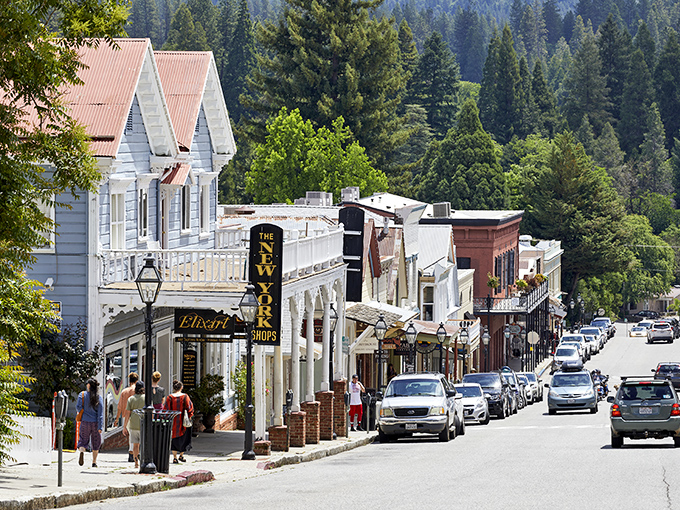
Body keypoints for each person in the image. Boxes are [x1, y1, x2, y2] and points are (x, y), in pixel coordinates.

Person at [163, 380, 194, 463]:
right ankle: (181, 455)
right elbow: (189, 407)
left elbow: (166, 409)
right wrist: (190, 416)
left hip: (173, 422)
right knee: (184, 438)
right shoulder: (185, 396)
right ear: (181, 387)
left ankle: (174, 457)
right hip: (183, 421)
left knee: (174, 439)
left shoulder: (170, 397)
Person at [76, 378, 104, 468]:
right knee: (96, 442)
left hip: (85, 422)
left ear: (88, 385)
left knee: (83, 439)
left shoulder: (82, 395)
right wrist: (100, 426)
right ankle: (94, 462)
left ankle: (81, 451)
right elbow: (100, 413)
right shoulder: (98, 397)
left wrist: (83, 412)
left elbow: (78, 407)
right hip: (95, 423)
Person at [115, 372, 139, 463]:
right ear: (137, 381)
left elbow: (120, 406)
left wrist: (117, 419)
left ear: (129, 381)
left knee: (130, 435)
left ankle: (131, 453)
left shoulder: (124, 391)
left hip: (126, 416)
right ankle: (134, 453)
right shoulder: (138, 391)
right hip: (136, 415)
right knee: (135, 435)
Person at [123, 381, 145, 468]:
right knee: (144, 445)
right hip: (144, 425)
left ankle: (136, 463)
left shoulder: (131, 399)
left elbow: (127, 413)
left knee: (135, 445)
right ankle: (143, 461)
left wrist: (124, 426)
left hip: (133, 424)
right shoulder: (146, 398)